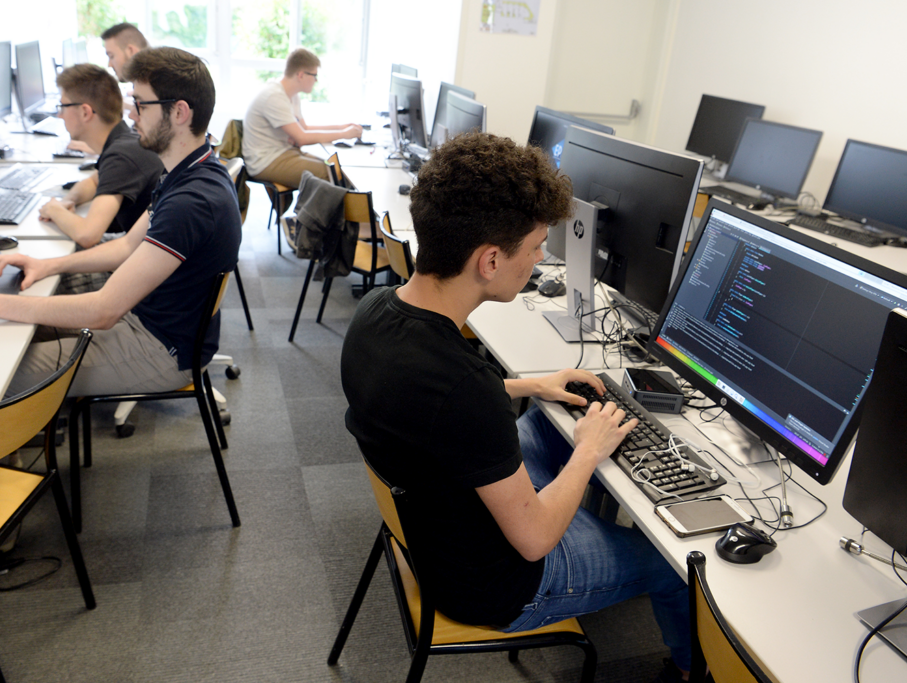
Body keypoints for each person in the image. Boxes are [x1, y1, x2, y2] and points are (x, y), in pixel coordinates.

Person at [340, 132, 691, 683]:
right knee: (677, 570)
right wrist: (588, 454)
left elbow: (439, 404)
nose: (542, 258)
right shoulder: (464, 388)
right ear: (491, 259)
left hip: (434, 518)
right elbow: (533, 540)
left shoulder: (378, 312)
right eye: (534, 248)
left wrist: (533, 384)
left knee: (559, 423)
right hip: (497, 585)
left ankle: (603, 537)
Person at [0, 47, 241, 400]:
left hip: (158, 350)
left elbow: (103, 310)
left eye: (141, 104)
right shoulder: (189, 170)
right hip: (144, 321)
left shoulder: (191, 203)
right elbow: (126, 246)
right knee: (0, 330)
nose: (132, 115)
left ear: (178, 112)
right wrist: (47, 265)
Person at [39, 64, 163, 251]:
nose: (59, 114)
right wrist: (69, 201)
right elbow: (93, 182)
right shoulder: (126, 141)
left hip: (146, 269)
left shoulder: (121, 156)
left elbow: (88, 235)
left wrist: (54, 209)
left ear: (85, 112)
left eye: (63, 106)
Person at [242, 47, 363, 190]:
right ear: (301, 75)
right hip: (266, 161)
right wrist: (344, 135)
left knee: (336, 168)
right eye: (314, 75)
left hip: (283, 152)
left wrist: (341, 127)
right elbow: (302, 138)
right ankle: (312, 212)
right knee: (331, 174)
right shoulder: (274, 96)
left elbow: (304, 129)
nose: (316, 80)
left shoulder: (292, 95)